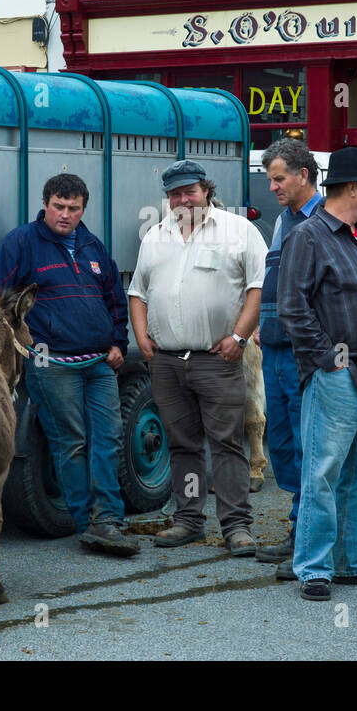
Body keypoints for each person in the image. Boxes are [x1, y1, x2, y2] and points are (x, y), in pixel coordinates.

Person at [0, 173, 138, 557]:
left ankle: (109, 518)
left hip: (98, 363)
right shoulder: (23, 243)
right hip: (51, 362)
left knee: (108, 437)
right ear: (45, 205)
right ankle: (88, 522)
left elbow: (114, 298)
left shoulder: (93, 247)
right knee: (70, 442)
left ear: (83, 209)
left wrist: (118, 342)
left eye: (73, 208)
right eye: (58, 206)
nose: (65, 215)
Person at [128, 160, 267, 557]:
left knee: (227, 443)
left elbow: (259, 286)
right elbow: (138, 292)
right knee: (183, 445)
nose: (182, 200)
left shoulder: (239, 231)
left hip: (216, 359)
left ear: (206, 190)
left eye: (189, 191)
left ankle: (237, 527)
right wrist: (141, 335)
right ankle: (188, 520)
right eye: (174, 194)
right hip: (168, 361)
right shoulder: (155, 234)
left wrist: (239, 337)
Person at [278, 146, 357, 601]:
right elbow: (293, 309)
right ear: (351, 188)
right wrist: (331, 362)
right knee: (324, 472)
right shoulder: (308, 237)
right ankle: (313, 568)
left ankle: (351, 562)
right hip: (341, 376)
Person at [252, 139, 324, 581]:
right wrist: (263, 322)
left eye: (279, 178)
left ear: (303, 174)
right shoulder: (283, 221)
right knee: (280, 445)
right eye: (270, 179)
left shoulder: (325, 220)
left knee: (308, 445)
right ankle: (299, 528)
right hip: (274, 350)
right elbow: (273, 279)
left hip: (304, 356)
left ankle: (309, 538)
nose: (274, 186)